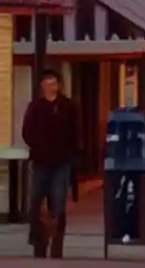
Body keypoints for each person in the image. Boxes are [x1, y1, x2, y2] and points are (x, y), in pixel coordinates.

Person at [22, 69, 80, 259]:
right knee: (36, 200)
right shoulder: (35, 107)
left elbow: (75, 132)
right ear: (42, 85)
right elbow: (27, 131)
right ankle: (39, 241)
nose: (50, 85)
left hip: (61, 162)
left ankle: (57, 245)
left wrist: (72, 154)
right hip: (40, 161)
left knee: (58, 201)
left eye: (53, 82)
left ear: (59, 85)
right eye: (47, 82)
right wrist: (37, 147)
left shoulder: (67, 106)